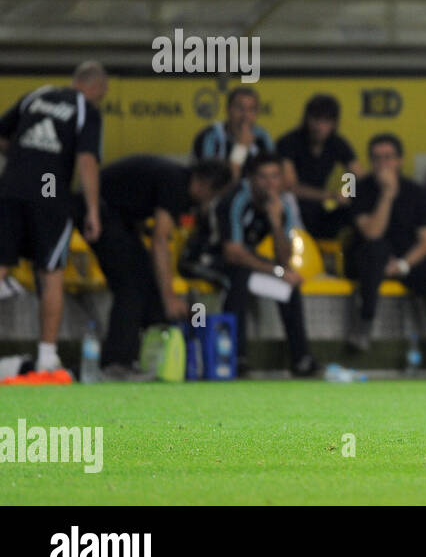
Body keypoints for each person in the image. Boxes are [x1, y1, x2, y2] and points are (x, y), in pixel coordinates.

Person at [74, 156, 231, 374]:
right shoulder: (176, 184)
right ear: (205, 185)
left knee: (146, 279)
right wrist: (170, 299)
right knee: (131, 285)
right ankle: (115, 363)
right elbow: (160, 241)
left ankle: (153, 359)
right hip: (96, 212)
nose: (208, 202)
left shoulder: (177, 178)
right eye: (212, 196)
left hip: (117, 218)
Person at [0, 61, 106, 373]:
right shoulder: (86, 109)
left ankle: (9, 285)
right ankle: (47, 357)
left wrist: (25, 158)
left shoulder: (37, 95)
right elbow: (87, 160)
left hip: (11, 189)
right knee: (50, 272)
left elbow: (3, 137)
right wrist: (93, 210)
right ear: (97, 88)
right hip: (49, 197)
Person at [202, 152, 316, 376]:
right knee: (240, 276)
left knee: (289, 284)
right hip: (208, 258)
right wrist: (276, 270)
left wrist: (275, 223)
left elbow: (285, 259)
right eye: (263, 177)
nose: (270, 183)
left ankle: (302, 359)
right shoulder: (236, 199)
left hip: (246, 263)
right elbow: (232, 252)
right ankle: (237, 358)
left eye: (275, 176)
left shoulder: (282, 204)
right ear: (251, 179)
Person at [345, 134, 426, 369]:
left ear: (400, 160)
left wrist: (402, 266)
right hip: (364, 260)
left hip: (404, 262)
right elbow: (372, 233)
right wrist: (387, 195)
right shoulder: (357, 188)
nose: (382, 164)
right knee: (376, 249)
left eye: (388, 158)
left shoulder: (416, 191)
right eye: (376, 158)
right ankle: (365, 321)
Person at [276, 93, 360, 240]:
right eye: (315, 119)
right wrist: (331, 195)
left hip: (320, 207)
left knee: (358, 210)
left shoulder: (336, 143)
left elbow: (356, 173)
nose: (319, 126)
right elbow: (290, 187)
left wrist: (349, 189)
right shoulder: (290, 142)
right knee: (301, 207)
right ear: (307, 120)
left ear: (333, 124)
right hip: (291, 206)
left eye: (325, 121)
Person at [192, 87, 275, 182]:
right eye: (240, 108)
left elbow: (270, 178)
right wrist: (241, 148)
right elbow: (212, 185)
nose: (245, 115)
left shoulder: (262, 138)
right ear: (228, 109)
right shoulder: (210, 137)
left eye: (251, 109)